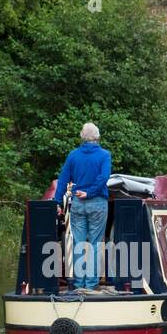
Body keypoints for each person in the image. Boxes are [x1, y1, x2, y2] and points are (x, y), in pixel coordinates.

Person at [54, 122, 111, 292]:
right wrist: (91, 192)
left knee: (79, 243)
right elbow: (104, 177)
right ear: (98, 137)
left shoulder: (73, 155)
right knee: (94, 244)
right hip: (98, 203)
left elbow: (63, 180)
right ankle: (91, 285)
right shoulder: (104, 155)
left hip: (77, 203)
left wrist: (57, 202)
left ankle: (78, 284)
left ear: (82, 136)